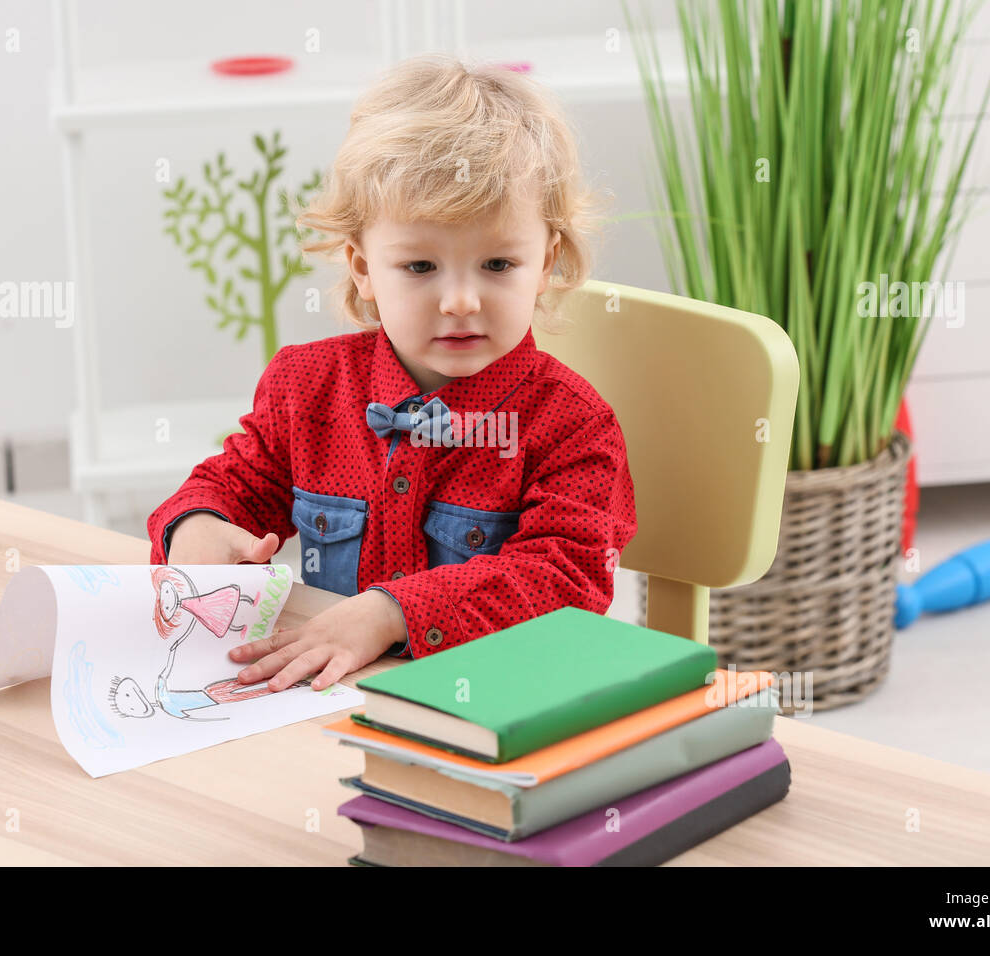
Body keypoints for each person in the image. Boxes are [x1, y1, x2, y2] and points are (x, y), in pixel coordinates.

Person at [147, 53, 637, 694]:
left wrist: (393, 614)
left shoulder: (571, 424)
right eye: (419, 267)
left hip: (493, 705)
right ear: (362, 267)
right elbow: (236, 484)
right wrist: (197, 527)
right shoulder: (308, 387)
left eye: (497, 264)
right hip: (327, 707)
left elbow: (568, 576)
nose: (460, 300)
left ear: (545, 262)